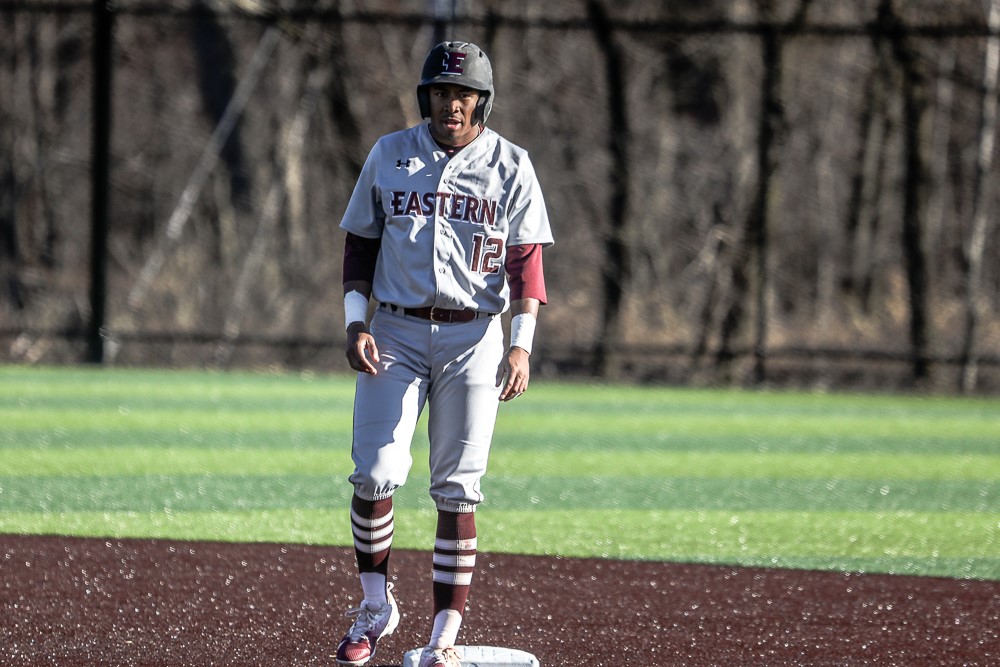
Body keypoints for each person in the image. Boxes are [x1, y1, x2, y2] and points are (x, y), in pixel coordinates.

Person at [333, 41, 554, 667]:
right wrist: (356, 324)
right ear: (424, 96)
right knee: (374, 472)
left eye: (462, 94)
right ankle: (376, 605)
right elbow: (360, 245)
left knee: (458, 489)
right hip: (396, 331)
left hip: (476, 335)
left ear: (481, 101)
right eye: (439, 91)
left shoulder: (510, 163)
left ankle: (444, 637)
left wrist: (521, 344)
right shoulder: (390, 153)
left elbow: (527, 261)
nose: (450, 103)